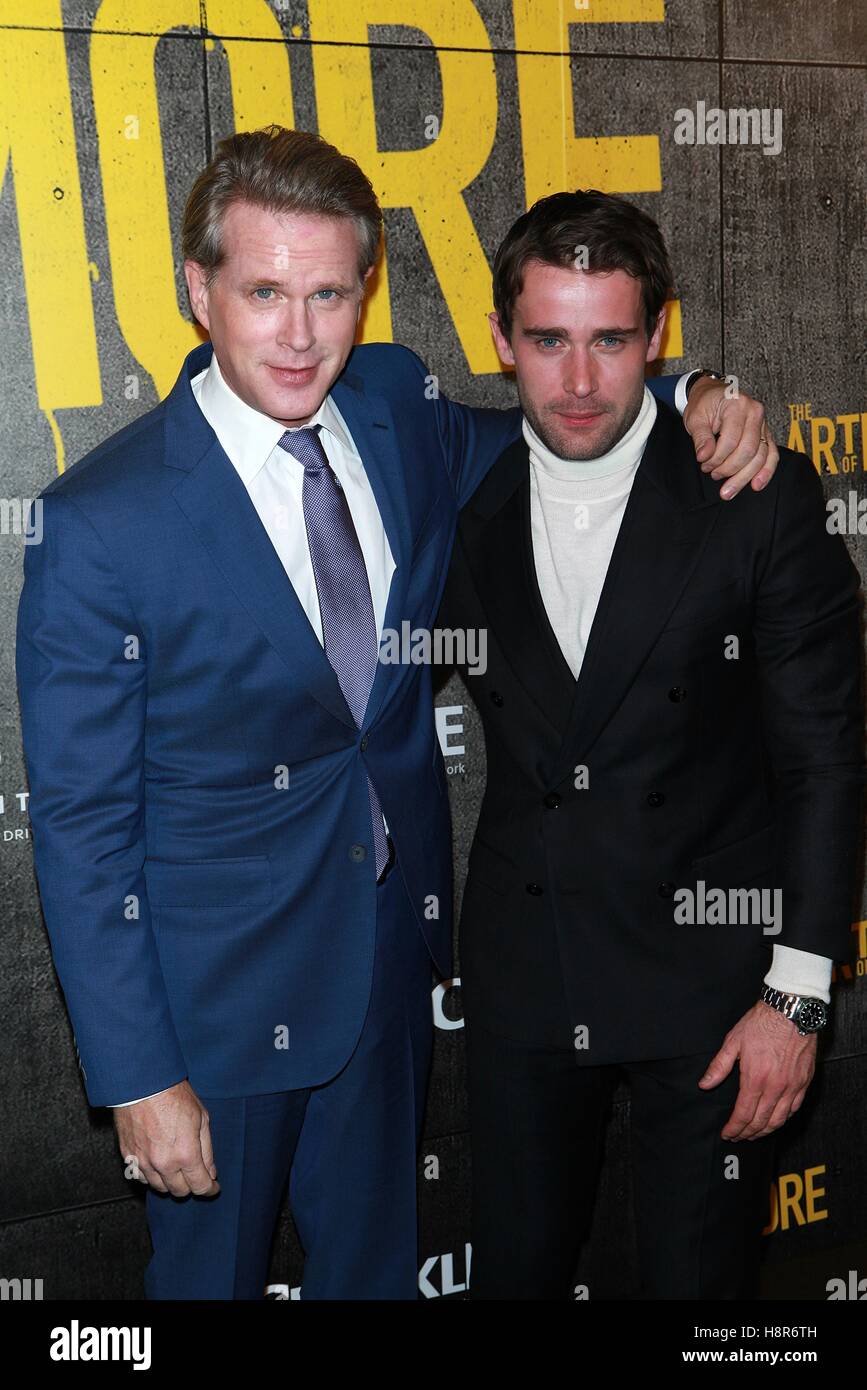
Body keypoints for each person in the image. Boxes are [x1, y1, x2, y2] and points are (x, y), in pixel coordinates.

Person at [16, 128, 775, 1301]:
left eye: (329, 293)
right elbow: (79, 826)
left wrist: (693, 386)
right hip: (211, 1021)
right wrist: (136, 1076)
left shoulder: (390, 404)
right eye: (264, 292)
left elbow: (558, 410)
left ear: (365, 291)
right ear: (196, 289)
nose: (301, 333)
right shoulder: (102, 522)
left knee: (373, 1280)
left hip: (383, 975)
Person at [438, 189, 864, 1300]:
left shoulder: (751, 491)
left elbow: (825, 753)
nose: (579, 381)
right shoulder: (457, 492)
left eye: (613, 340)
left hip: (716, 990)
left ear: (659, 336)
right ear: (500, 341)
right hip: (531, 975)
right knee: (517, 1281)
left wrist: (799, 993)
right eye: (549, 340)